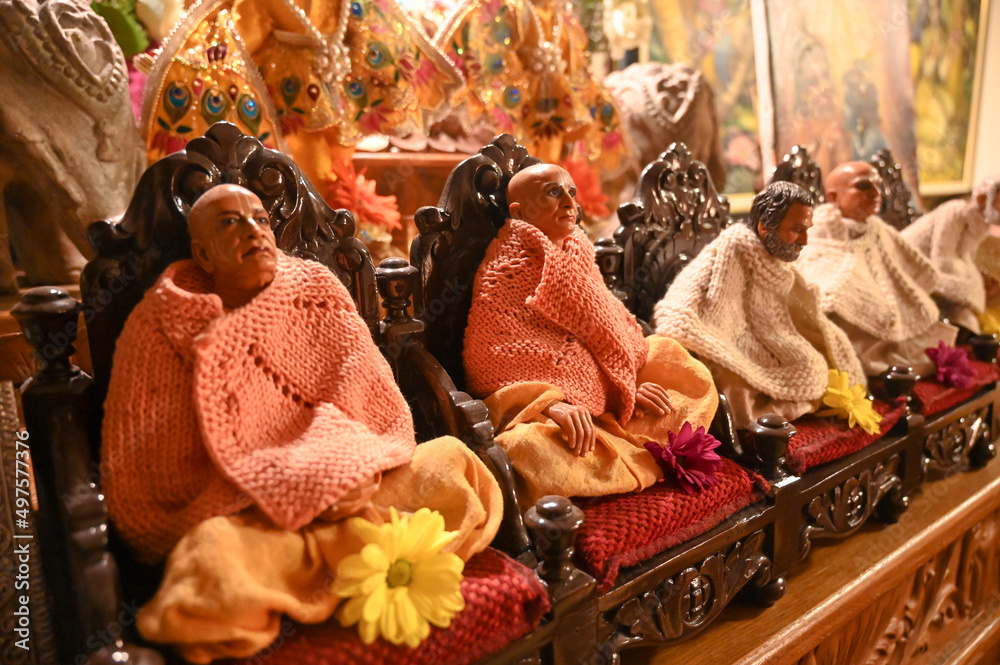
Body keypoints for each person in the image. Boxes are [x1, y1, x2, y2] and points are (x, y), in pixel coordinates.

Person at [103, 184, 502, 662]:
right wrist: (295, 490)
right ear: (202, 254)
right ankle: (341, 576)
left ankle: (352, 571)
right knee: (210, 555)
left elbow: (377, 400)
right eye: (230, 222)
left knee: (455, 461)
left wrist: (349, 469)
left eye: (261, 219)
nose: (253, 231)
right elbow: (149, 481)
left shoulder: (315, 288)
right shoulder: (155, 328)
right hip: (256, 523)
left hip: (363, 488)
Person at [463, 163, 720, 505]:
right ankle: (628, 463)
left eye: (571, 192)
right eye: (554, 193)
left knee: (682, 368)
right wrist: (552, 406)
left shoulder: (579, 251)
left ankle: (630, 459)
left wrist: (626, 383)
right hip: (556, 418)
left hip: (612, 396)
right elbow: (490, 363)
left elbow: (609, 332)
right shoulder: (502, 271)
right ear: (519, 211)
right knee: (524, 449)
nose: (569, 202)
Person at [653, 181, 866, 429]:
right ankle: (762, 422)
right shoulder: (730, 250)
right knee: (733, 387)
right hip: (722, 345)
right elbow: (679, 308)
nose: (805, 240)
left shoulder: (778, 259)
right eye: (797, 230)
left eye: (807, 229)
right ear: (766, 227)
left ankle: (787, 408)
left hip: (768, 343)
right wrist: (712, 341)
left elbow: (793, 314)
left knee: (814, 367)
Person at [797, 161, 956, 376]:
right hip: (848, 325)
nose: (876, 192)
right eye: (863, 186)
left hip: (888, 313)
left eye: (878, 185)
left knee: (925, 336)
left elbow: (909, 264)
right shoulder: (816, 230)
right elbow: (818, 279)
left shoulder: (877, 228)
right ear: (833, 197)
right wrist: (859, 292)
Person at [902, 176, 1000, 332]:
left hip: (938, 269)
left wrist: (973, 283)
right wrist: (969, 286)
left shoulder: (982, 224)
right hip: (910, 267)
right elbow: (943, 258)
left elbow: (965, 257)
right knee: (965, 302)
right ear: (983, 199)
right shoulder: (955, 211)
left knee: (969, 311)